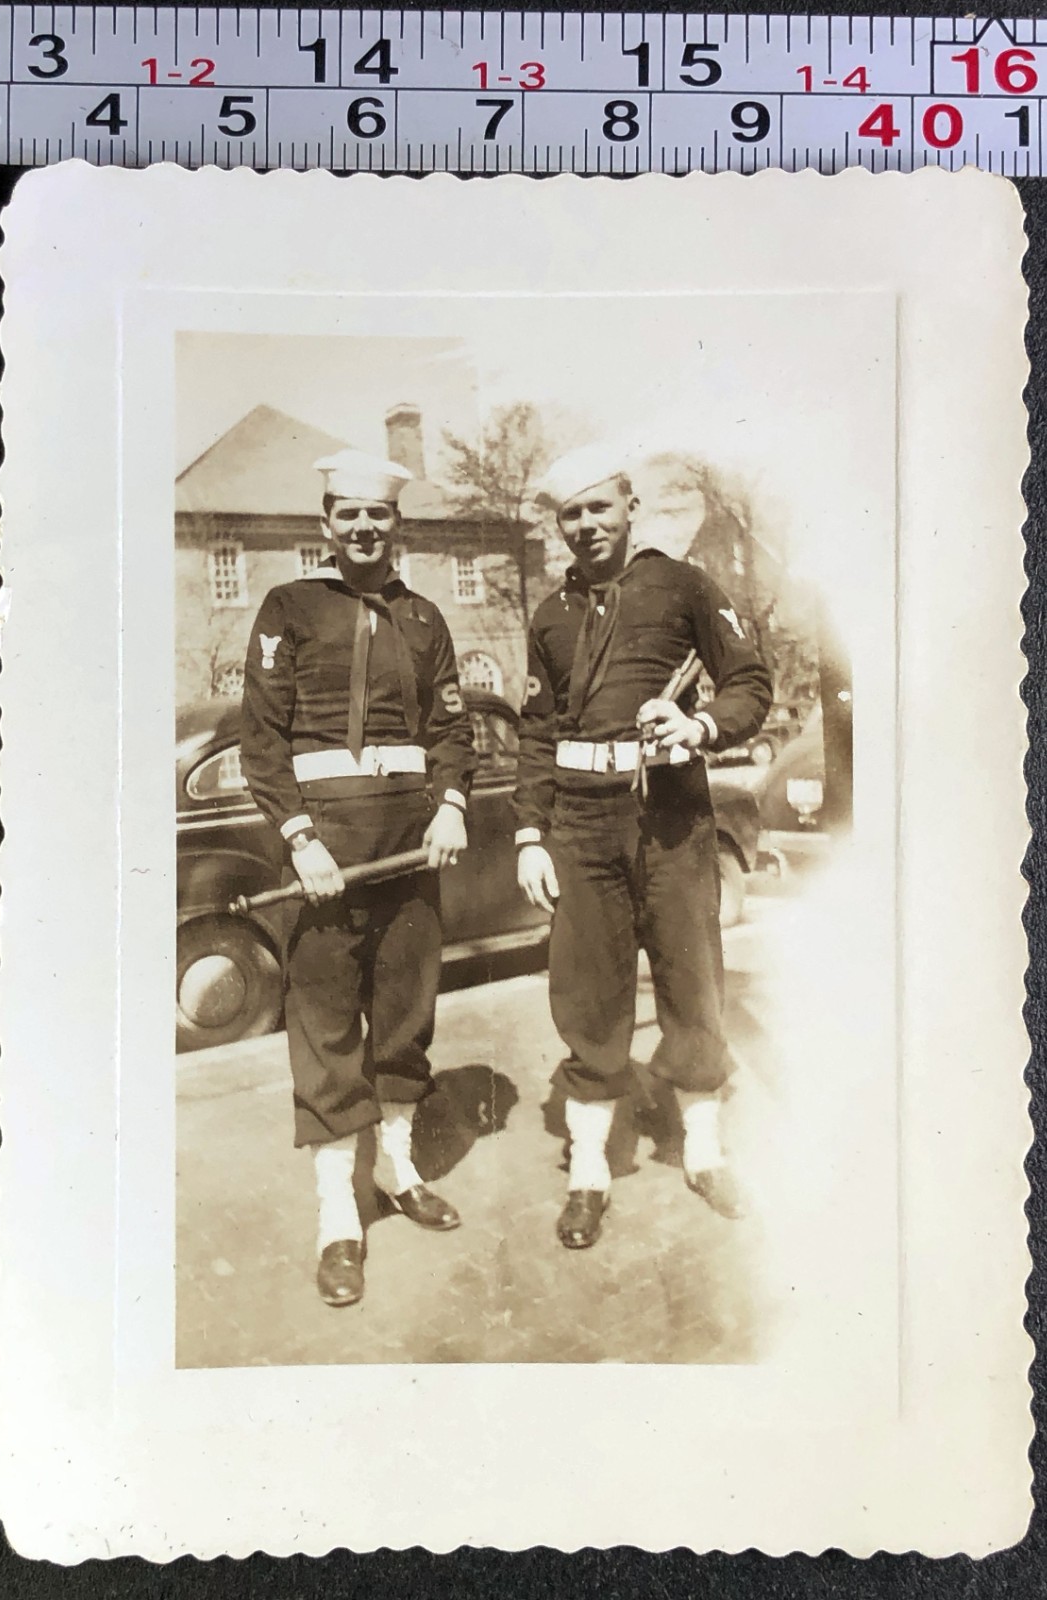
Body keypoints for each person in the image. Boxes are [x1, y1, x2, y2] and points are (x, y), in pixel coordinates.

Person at [513, 444, 773, 1249]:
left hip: (670, 818)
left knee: (691, 980)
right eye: (571, 514)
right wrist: (529, 831)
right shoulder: (550, 615)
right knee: (588, 993)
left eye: (599, 507)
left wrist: (698, 725)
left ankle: (701, 1151)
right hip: (581, 826)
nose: (586, 525)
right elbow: (534, 731)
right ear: (558, 526)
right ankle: (589, 1169)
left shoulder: (683, 585)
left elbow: (750, 683)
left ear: (629, 506)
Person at [240, 449, 476, 1307]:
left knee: (406, 1012)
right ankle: (338, 1215)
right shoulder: (288, 607)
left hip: (412, 842)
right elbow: (261, 740)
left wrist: (450, 804)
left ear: (396, 526)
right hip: (323, 850)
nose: (364, 528)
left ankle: (399, 1173)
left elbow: (452, 727)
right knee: (328, 1025)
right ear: (326, 525)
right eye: (348, 514)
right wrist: (299, 837)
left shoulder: (423, 618)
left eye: (379, 516)